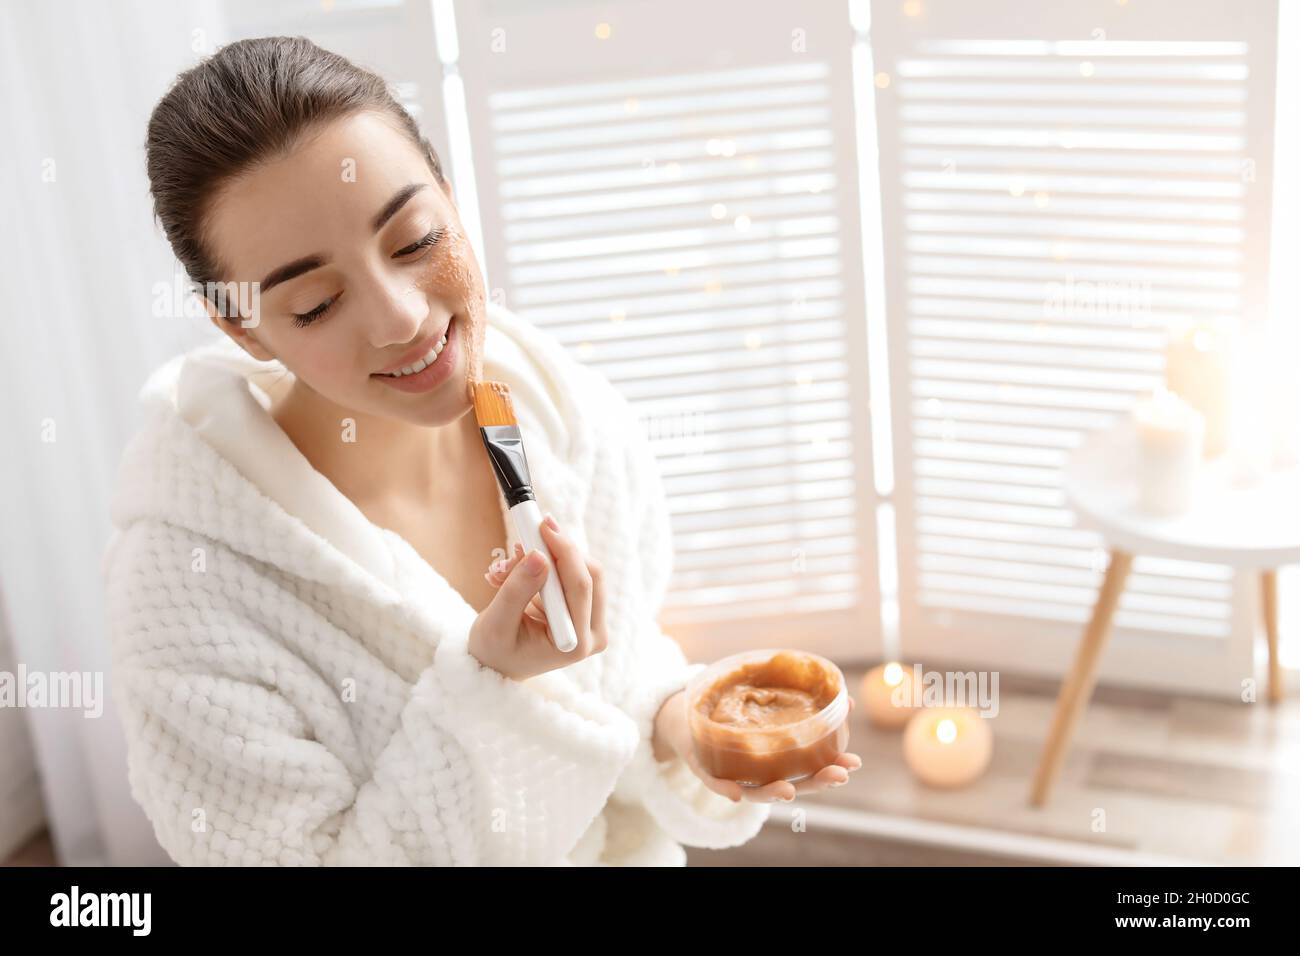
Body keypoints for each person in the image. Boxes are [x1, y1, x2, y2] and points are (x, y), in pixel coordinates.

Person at [104, 35, 860, 866]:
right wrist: (494, 689)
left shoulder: (560, 416)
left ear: (451, 200)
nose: (399, 318)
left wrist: (682, 729)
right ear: (241, 327)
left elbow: (621, 668)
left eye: (416, 240)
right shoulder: (186, 593)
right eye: (317, 304)